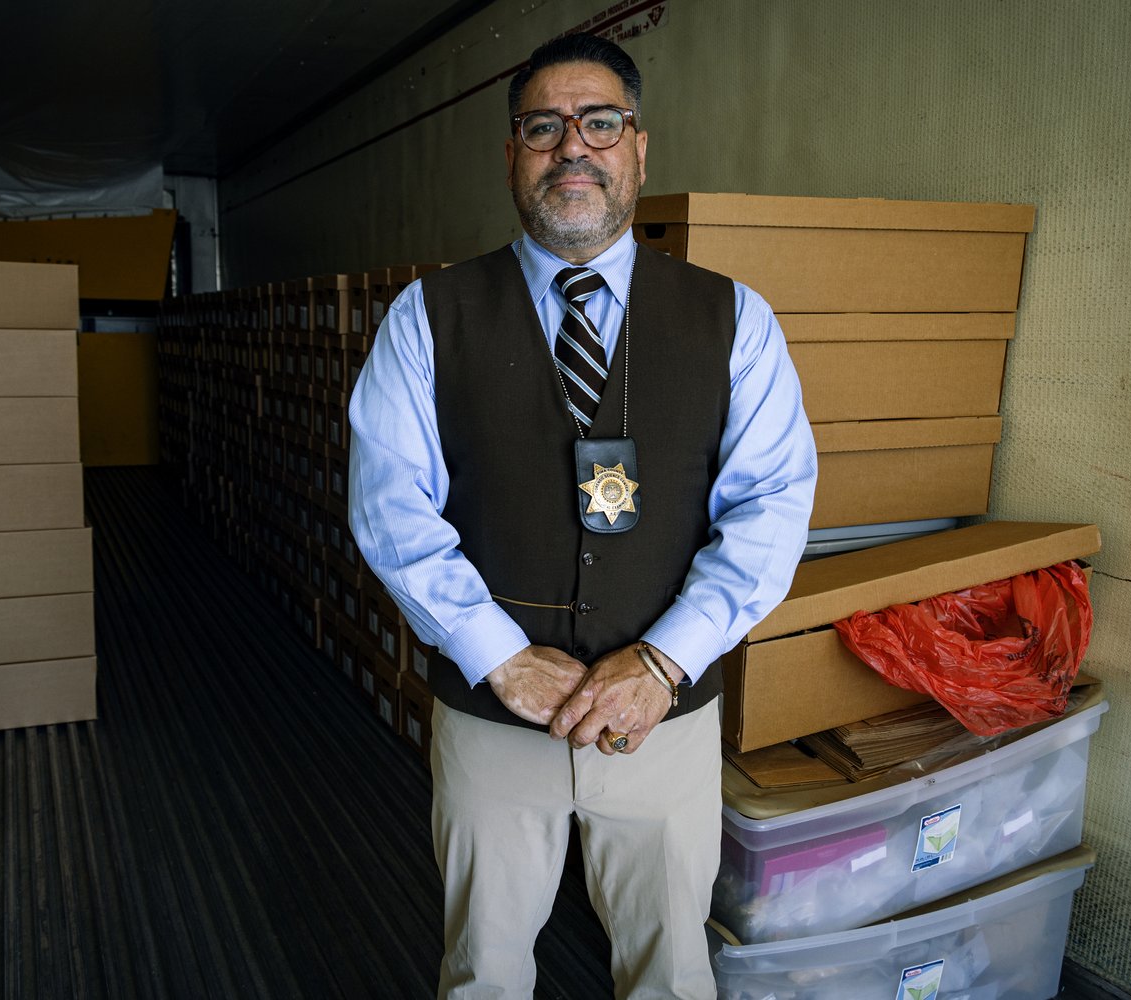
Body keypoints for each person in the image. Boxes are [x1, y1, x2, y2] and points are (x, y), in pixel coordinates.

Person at [348, 32, 817, 1000]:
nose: (574, 147)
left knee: (672, 968)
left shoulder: (735, 319)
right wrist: (498, 655)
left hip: (664, 720)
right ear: (512, 153)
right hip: (491, 718)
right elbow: (391, 506)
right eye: (543, 127)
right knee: (482, 967)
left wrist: (661, 660)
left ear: (639, 148)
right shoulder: (428, 316)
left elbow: (771, 505)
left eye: (600, 123)